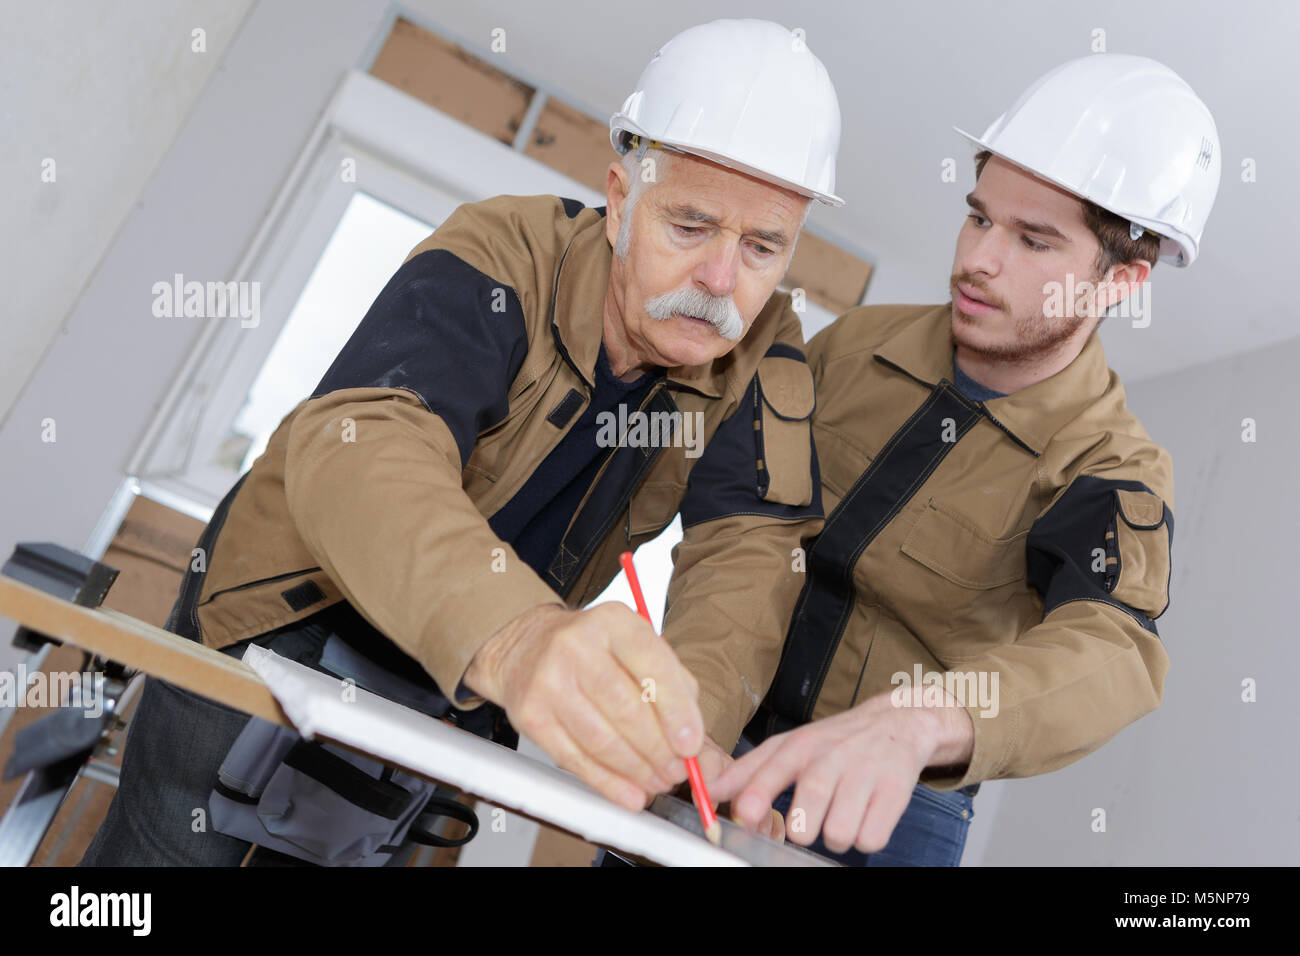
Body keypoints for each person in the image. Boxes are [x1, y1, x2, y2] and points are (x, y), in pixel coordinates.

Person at [80, 18, 841, 865]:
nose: (721, 281)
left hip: (450, 681)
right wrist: (516, 639)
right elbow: (369, 440)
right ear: (622, 199)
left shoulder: (769, 355)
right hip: (293, 606)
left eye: (763, 246)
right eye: (691, 226)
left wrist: (684, 731)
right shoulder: (499, 250)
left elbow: (754, 553)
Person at [713, 53, 1221, 867]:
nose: (981, 259)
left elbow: (1112, 648)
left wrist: (924, 721)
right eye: (980, 218)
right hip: (720, 739)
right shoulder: (854, 346)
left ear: (1120, 281)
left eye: (1034, 240)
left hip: (893, 809)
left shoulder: (1107, 463)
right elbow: (731, 515)